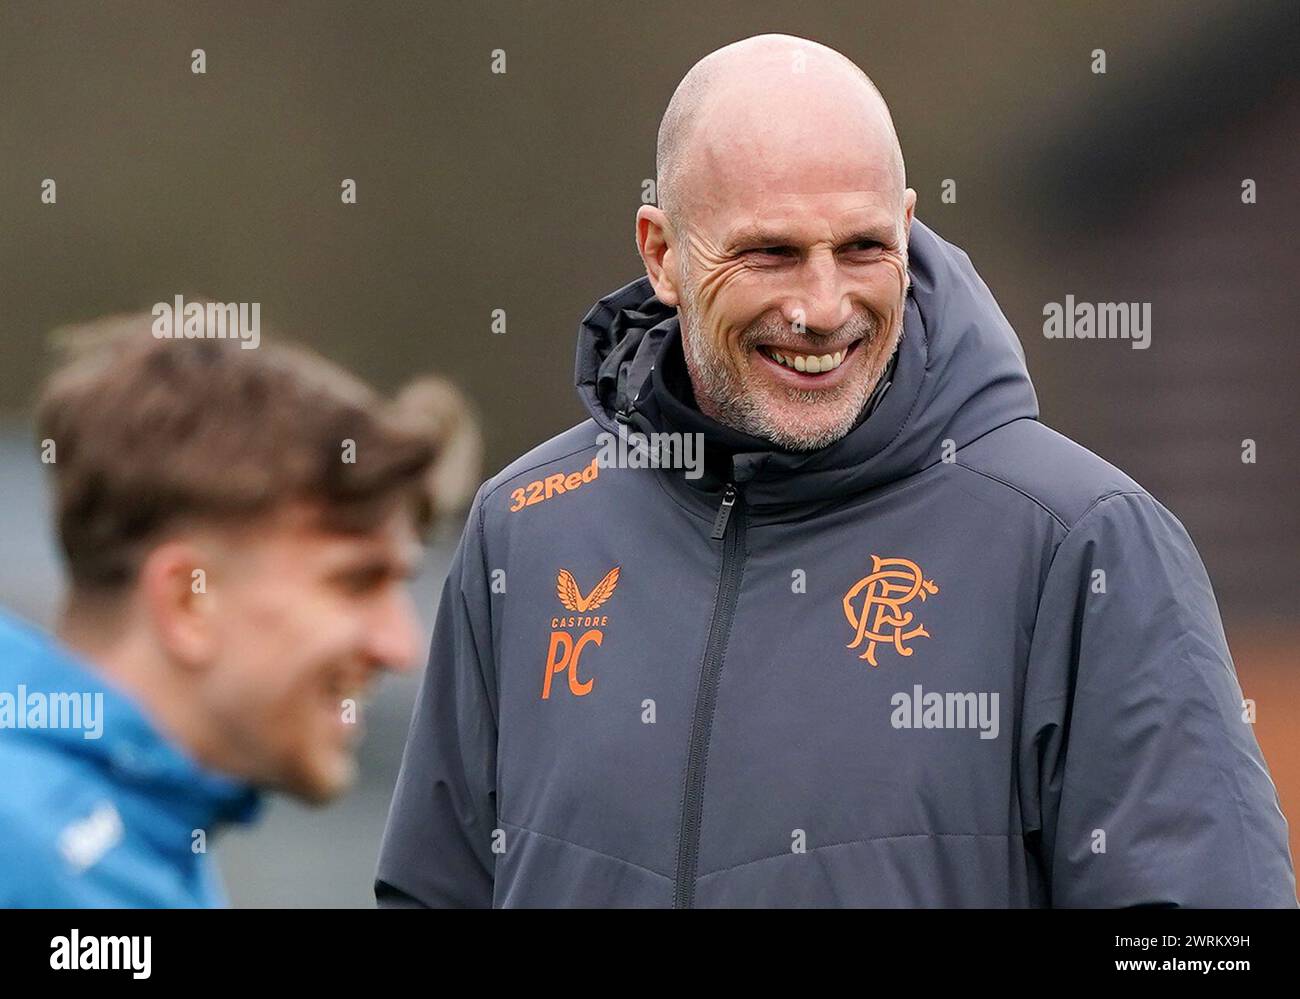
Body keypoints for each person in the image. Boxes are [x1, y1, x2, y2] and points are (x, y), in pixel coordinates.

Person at [377, 34, 1296, 907]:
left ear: (906, 229)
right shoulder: (525, 529)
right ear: (661, 253)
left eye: (861, 248)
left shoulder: (1083, 541)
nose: (822, 307)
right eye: (769, 253)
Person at [0, 318, 444, 906]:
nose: (401, 646)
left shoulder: (133, 843)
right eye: (356, 581)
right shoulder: (41, 867)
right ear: (188, 600)